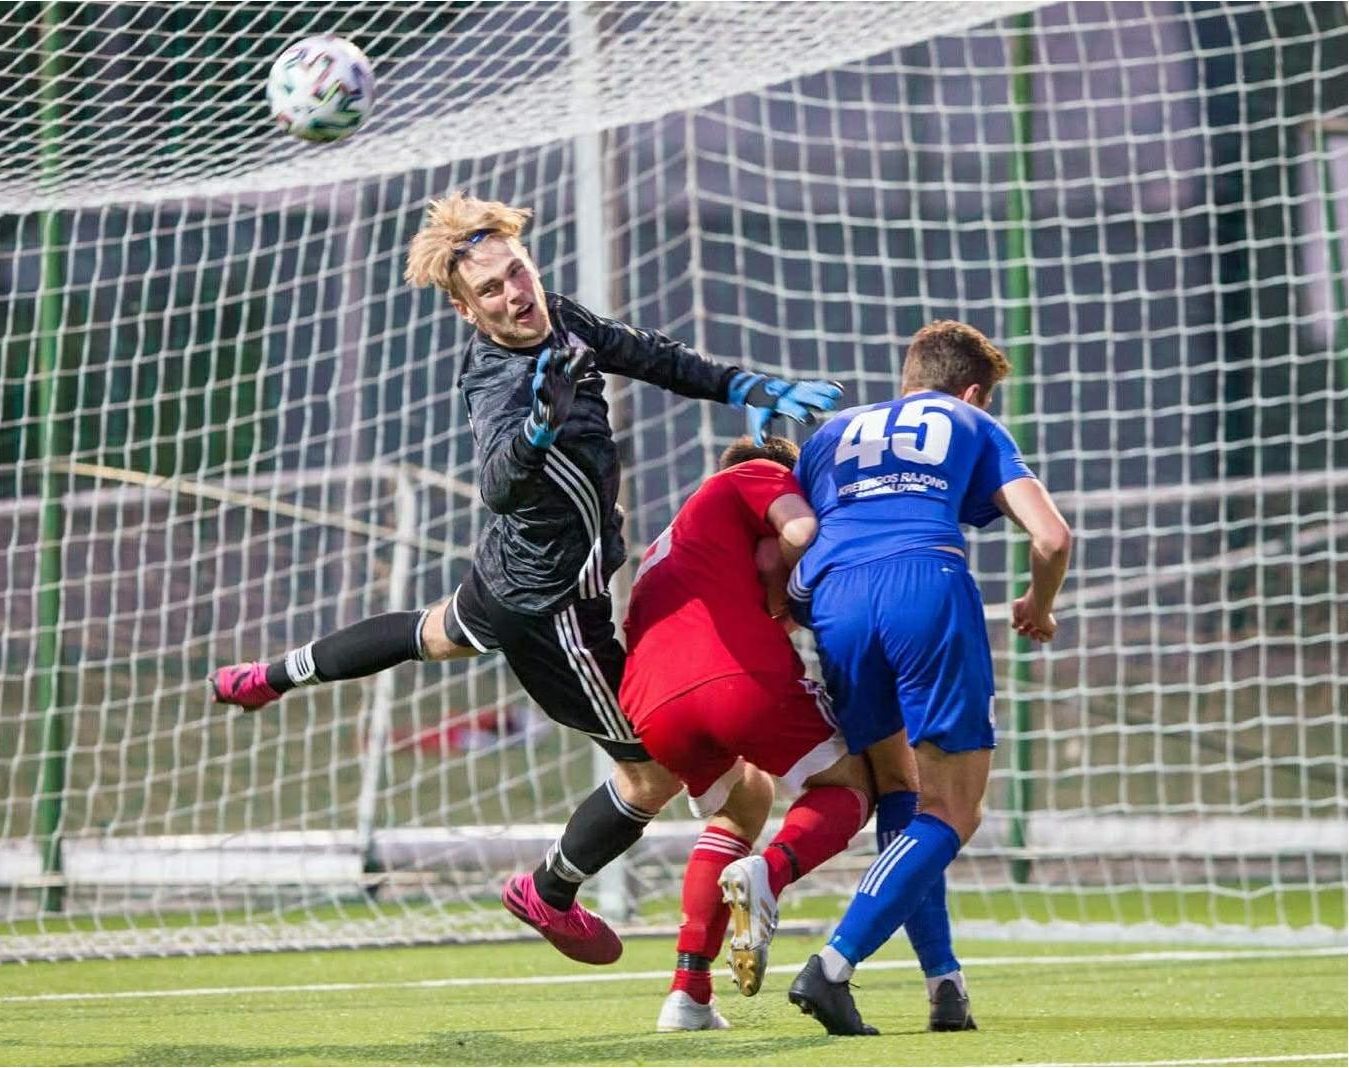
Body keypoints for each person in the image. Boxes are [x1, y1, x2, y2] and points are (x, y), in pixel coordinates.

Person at [208, 190, 844, 966]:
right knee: (650, 774)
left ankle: (270, 676)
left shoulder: (560, 318)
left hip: (505, 571)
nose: (516, 295)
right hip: (555, 612)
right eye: (492, 291)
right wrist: (541, 426)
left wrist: (748, 388)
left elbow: (648, 354)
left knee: (430, 633)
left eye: (518, 273)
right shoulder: (500, 383)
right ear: (466, 311)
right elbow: (500, 482)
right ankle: (548, 890)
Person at [779, 319, 1072, 1035]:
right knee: (955, 809)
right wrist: (1040, 601)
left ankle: (945, 984)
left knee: (902, 792)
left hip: (836, 601)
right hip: (924, 585)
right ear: (972, 391)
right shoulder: (968, 420)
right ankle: (833, 964)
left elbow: (791, 530)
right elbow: (1052, 535)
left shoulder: (830, 432)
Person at [618, 435, 872, 1031]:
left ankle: (689, 995)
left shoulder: (672, 538)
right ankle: (771, 872)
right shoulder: (755, 473)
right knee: (852, 784)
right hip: (730, 674)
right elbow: (801, 533)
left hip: (650, 704)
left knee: (741, 802)